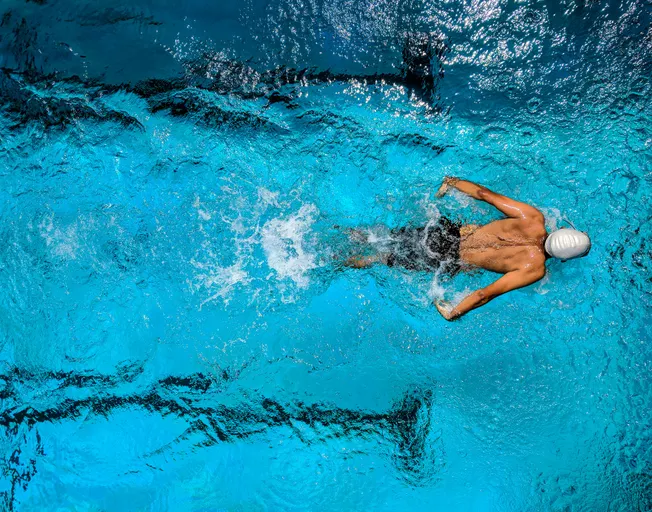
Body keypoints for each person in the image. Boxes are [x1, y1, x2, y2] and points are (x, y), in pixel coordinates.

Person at [345, 177, 591, 320]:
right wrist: (454, 312)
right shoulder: (534, 269)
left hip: (446, 232)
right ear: (564, 259)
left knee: (379, 237)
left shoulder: (533, 218)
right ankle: (337, 262)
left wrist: (452, 182)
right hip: (448, 259)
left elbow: (485, 194)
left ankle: (345, 232)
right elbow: (485, 294)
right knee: (380, 257)